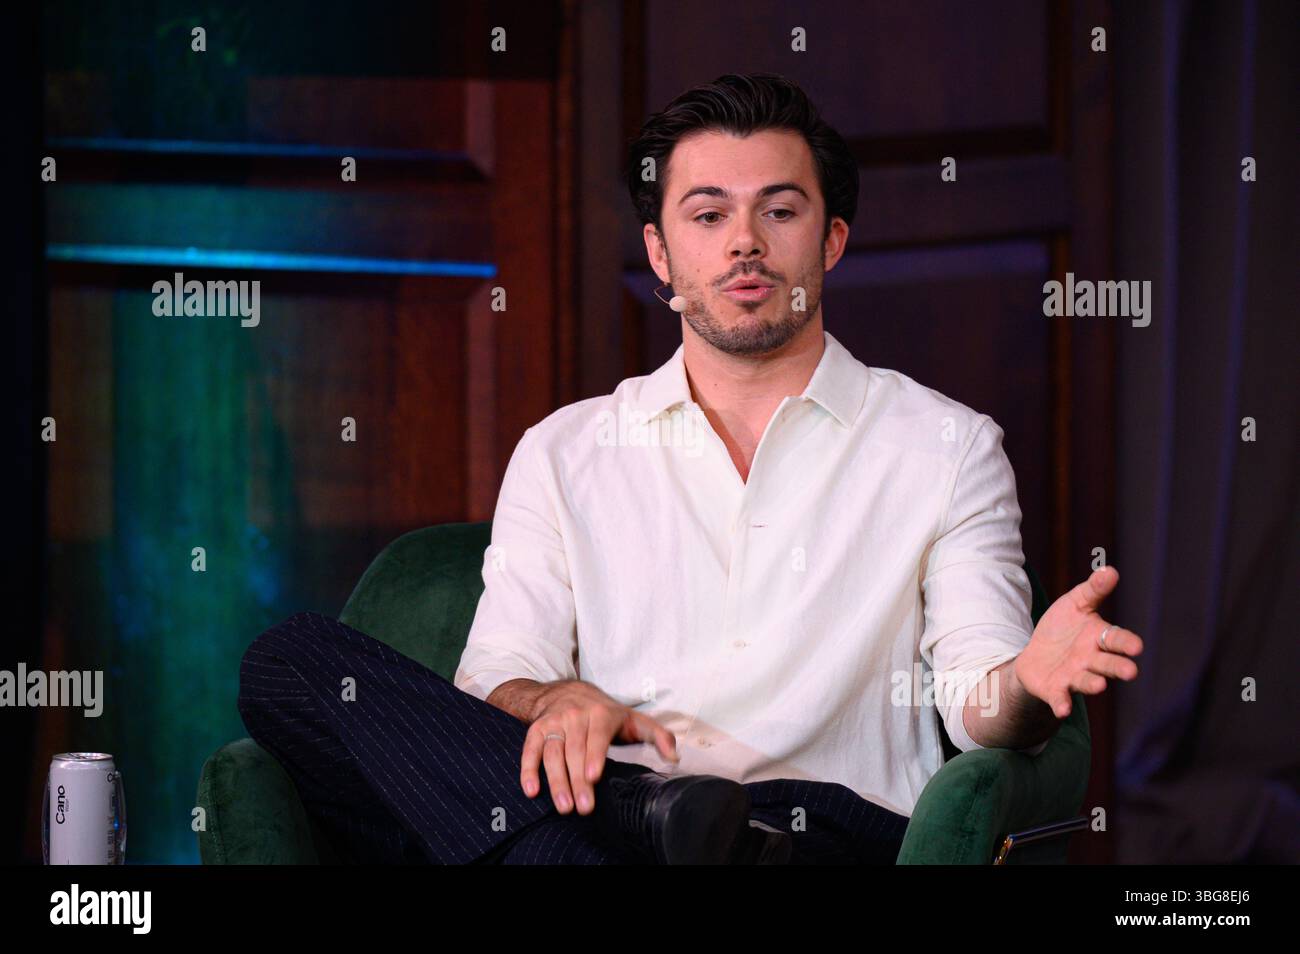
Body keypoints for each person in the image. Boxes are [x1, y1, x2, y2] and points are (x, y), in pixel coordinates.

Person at [238, 72, 1142, 865]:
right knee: (285, 663)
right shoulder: (566, 450)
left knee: (500, 836)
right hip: (613, 820)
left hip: (815, 837)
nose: (743, 242)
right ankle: (645, 819)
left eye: (778, 210)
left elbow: (976, 700)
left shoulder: (947, 446)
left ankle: (619, 833)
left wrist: (1024, 684)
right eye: (708, 215)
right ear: (662, 255)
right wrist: (557, 698)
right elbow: (492, 689)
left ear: (829, 241)